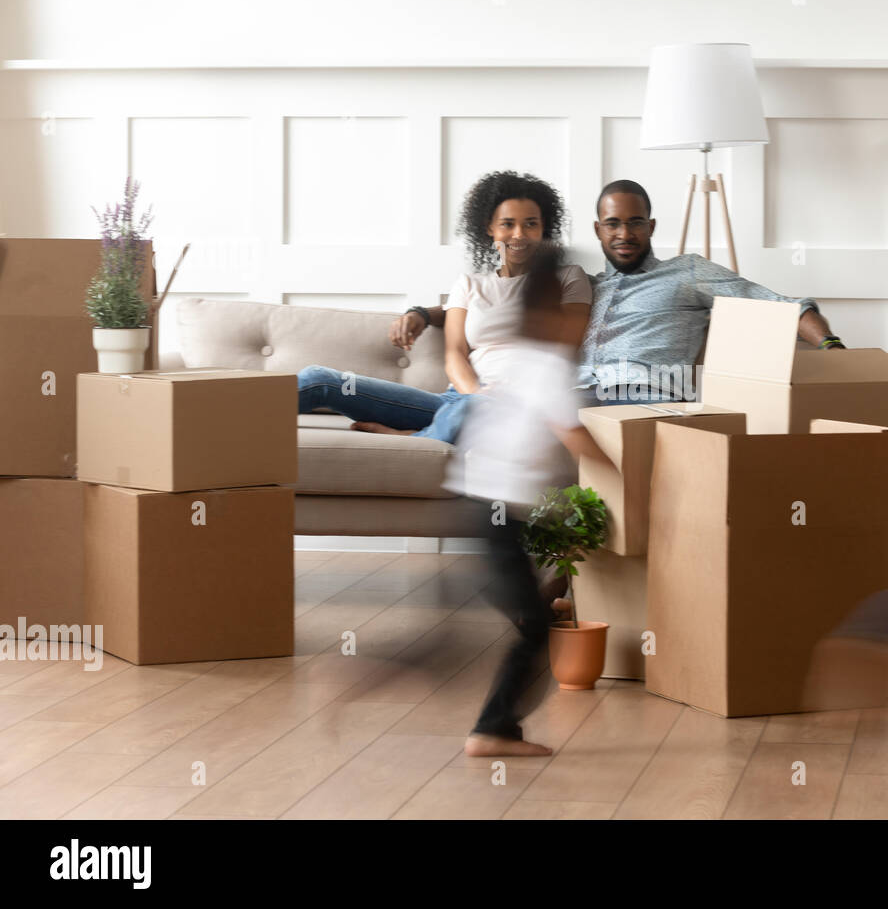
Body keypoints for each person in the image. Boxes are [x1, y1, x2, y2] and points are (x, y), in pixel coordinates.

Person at [445, 241, 614, 758]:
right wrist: (632, 468)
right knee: (536, 627)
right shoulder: (548, 370)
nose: (577, 329)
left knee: (532, 619)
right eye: (570, 319)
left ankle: (493, 726)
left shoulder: (515, 361)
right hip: (497, 519)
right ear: (550, 315)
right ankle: (491, 730)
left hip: (484, 509)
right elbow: (576, 440)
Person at [296, 171, 592, 442]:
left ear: (544, 229)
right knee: (318, 379)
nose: (519, 234)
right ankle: (249, 413)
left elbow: (564, 346)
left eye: (531, 224)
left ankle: (414, 438)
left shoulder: (566, 279)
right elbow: (455, 355)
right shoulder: (468, 284)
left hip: (520, 407)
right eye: (507, 224)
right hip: (457, 402)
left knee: (474, 414)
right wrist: (476, 395)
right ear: (489, 228)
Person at [576, 179, 846, 407]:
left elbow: (781, 307)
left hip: (645, 397)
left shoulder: (687, 271)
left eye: (636, 223)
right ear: (598, 230)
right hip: (576, 399)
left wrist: (830, 346)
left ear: (651, 226)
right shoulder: (583, 286)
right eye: (612, 224)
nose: (625, 234)